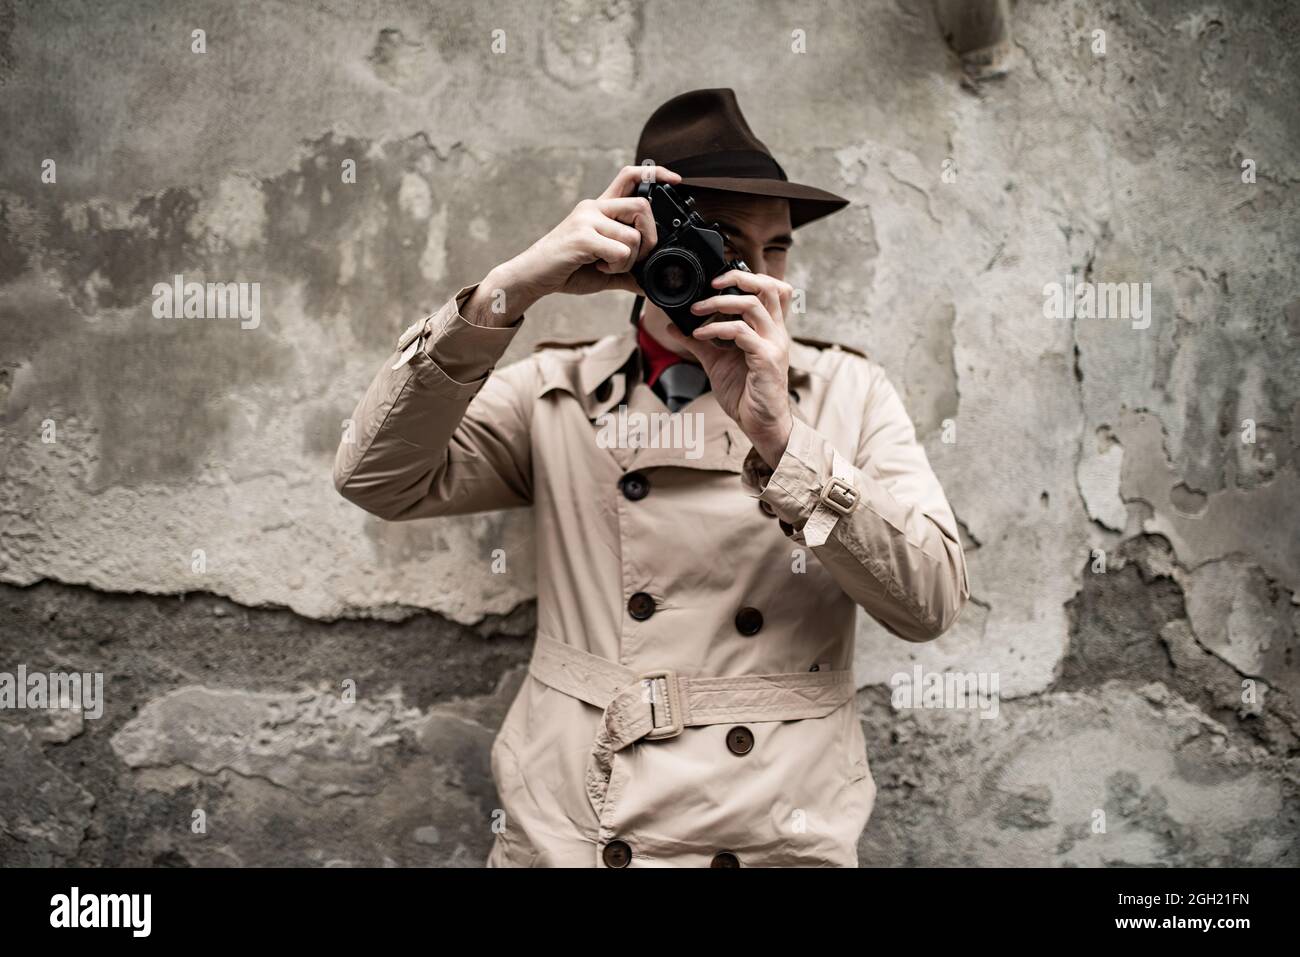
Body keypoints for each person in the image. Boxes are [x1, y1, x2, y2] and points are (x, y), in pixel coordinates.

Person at [334, 88, 969, 867]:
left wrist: (782, 439)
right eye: (725, 241)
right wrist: (511, 289)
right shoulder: (555, 390)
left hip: (773, 838)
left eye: (776, 249)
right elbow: (375, 476)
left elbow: (932, 600)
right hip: (578, 833)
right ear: (644, 240)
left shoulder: (846, 394)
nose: (754, 271)